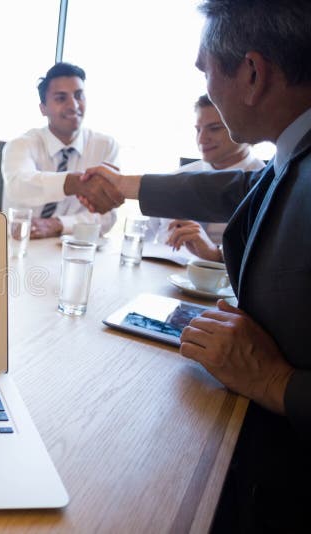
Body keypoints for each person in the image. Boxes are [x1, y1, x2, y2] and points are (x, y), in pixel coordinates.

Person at [81, 1, 311, 529]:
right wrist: (129, 186)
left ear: (252, 74)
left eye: (207, 70)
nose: (206, 83)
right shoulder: (295, 152)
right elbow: (249, 187)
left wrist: (278, 382)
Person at [2, 62, 122, 238]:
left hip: (75, 248)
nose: (73, 105)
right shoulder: (20, 145)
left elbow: (107, 216)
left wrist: (58, 224)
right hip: (22, 245)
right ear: (43, 108)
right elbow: (19, 186)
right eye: (61, 98)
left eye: (79, 95)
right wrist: (73, 183)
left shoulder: (105, 146)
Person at [147, 95, 265, 260]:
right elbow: (140, 237)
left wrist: (217, 255)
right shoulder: (176, 179)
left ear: (245, 127)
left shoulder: (267, 188)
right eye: (198, 129)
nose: (201, 139)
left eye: (215, 128)